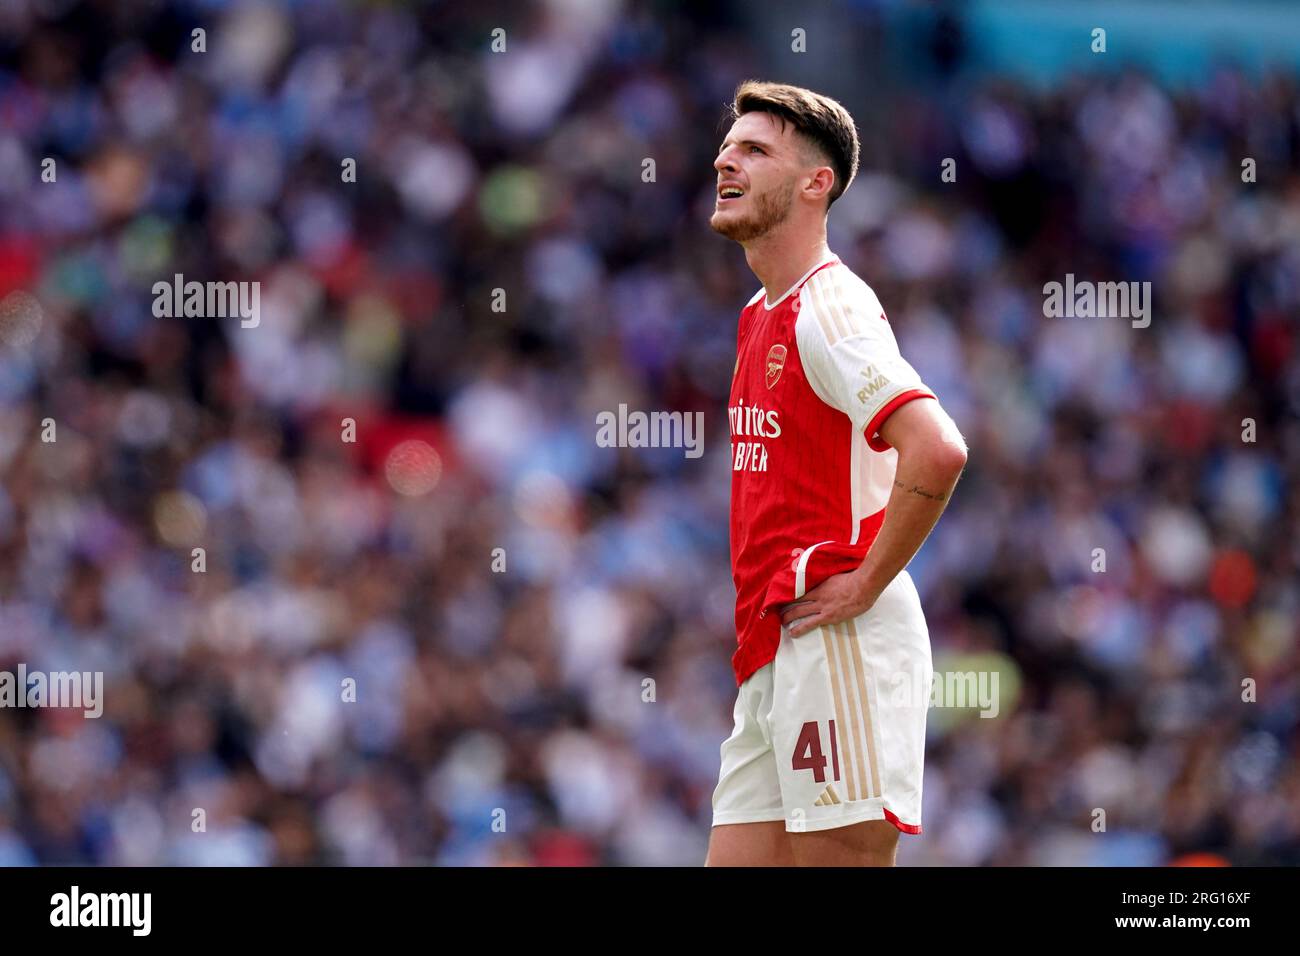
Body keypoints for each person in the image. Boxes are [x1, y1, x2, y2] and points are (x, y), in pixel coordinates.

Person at [706, 80, 969, 867]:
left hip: (841, 634)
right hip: (776, 645)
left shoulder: (830, 307)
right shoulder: (761, 312)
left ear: (816, 183)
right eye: (728, 146)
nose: (726, 159)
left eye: (755, 150)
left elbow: (938, 447)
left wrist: (867, 582)